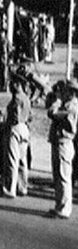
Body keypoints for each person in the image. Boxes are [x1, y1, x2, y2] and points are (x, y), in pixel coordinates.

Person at [46, 80, 77, 218]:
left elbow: (52, 113)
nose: (62, 93)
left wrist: (57, 101)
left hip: (64, 142)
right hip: (60, 141)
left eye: (65, 91)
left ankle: (64, 208)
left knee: (63, 176)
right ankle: (59, 205)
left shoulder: (71, 106)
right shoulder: (68, 105)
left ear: (71, 92)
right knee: (58, 176)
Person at [1, 77, 31, 198]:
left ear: (17, 84)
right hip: (24, 128)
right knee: (22, 160)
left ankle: (10, 189)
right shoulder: (26, 98)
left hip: (15, 128)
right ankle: (22, 187)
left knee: (12, 160)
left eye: (12, 83)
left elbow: (15, 116)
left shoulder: (17, 98)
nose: (10, 86)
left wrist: (9, 123)